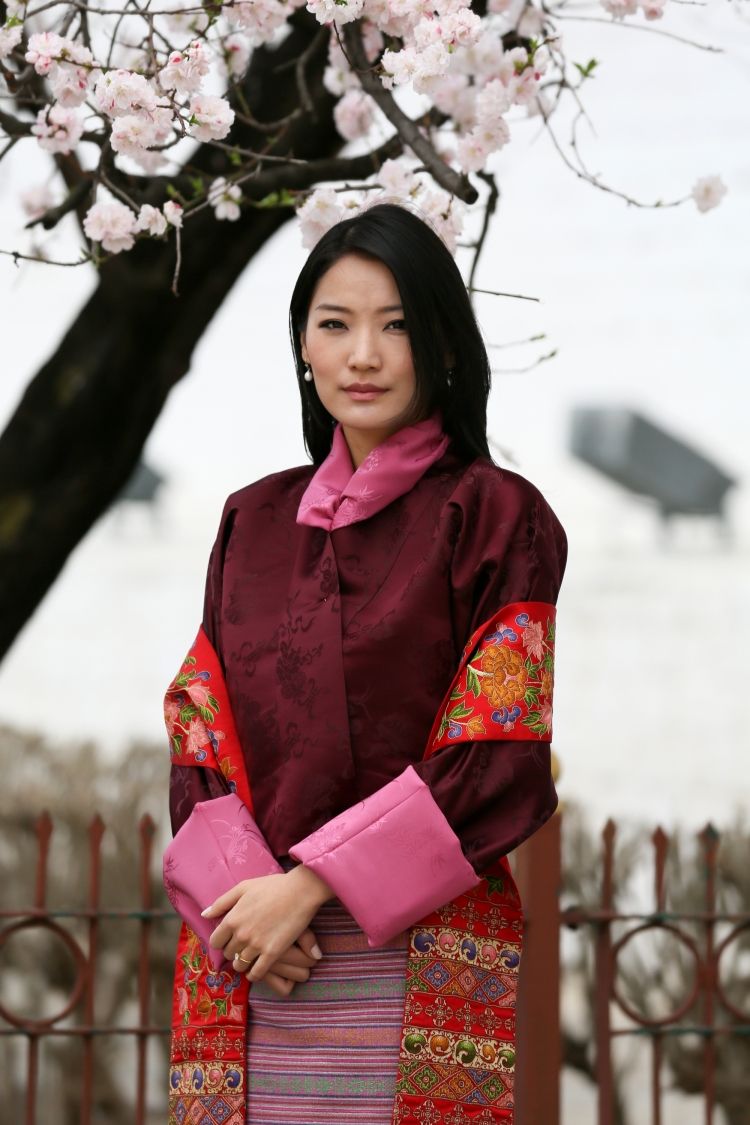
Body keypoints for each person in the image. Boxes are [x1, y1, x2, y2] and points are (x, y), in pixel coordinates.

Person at [164, 202, 567, 1125]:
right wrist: (243, 909)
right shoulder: (251, 520)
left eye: (397, 325)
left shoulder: (497, 516)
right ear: (304, 346)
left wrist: (307, 888)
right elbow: (198, 730)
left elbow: (498, 752)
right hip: (256, 951)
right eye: (335, 324)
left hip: (420, 948)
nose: (364, 355)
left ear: (444, 343)